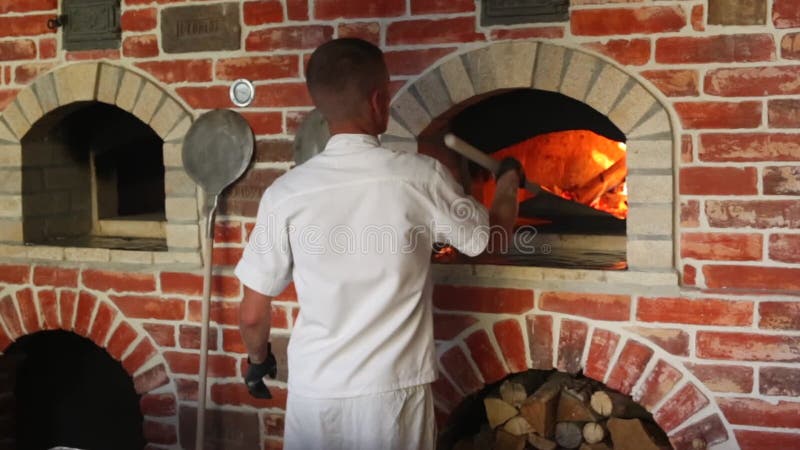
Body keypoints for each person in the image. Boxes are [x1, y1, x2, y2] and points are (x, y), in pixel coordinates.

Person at [235, 38, 522, 450]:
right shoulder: (421, 177)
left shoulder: (286, 194)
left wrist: (258, 360)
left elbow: (251, 315)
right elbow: (491, 241)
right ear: (378, 101)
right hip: (393, 395)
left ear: (321, 105)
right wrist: (509, 180)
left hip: (316, 392)